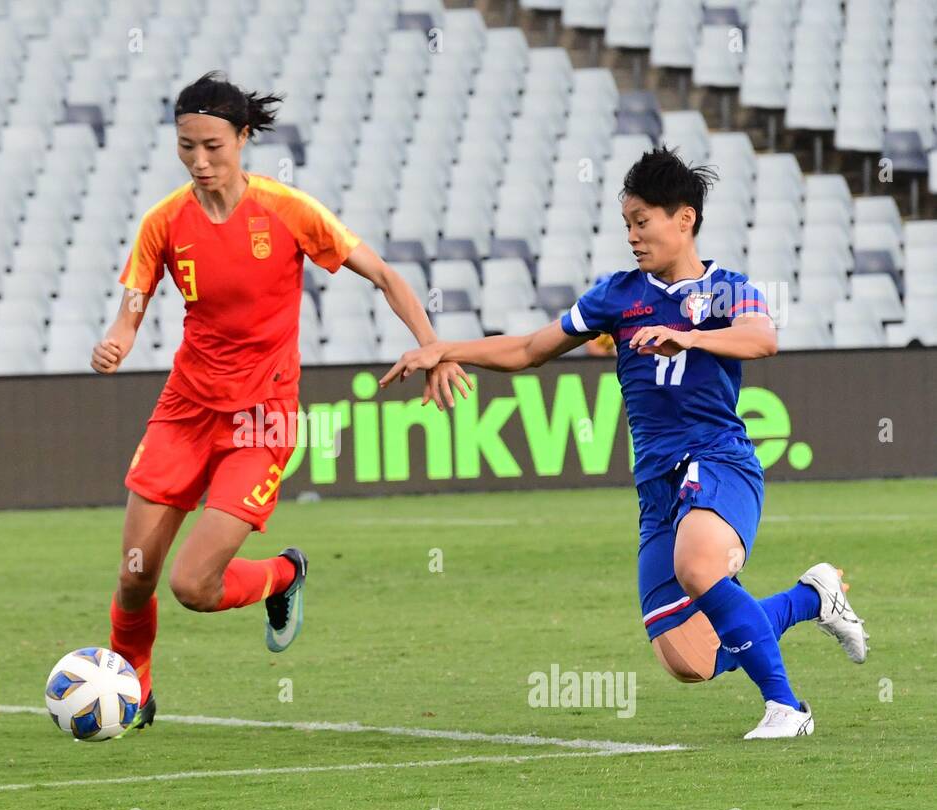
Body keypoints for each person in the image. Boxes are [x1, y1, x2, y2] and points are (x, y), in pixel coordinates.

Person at [380, 147, 868, 739]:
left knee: (697, 565)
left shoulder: (724, 290)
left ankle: (788, 709)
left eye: (643, 221)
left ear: (683, 219)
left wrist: (689, 338)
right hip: (655, 480)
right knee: (689, 659)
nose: (633, 236)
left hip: (716, 457)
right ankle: (810, 599)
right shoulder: (618, 296)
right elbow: (531, 349)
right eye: (627, 225)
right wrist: (444, 349)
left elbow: (761, 338)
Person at [92, 72, 470, 734]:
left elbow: (382, 273)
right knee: (133, 578)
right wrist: (119, 336)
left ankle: (282, 575)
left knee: (193, 587)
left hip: (261, 422)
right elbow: (133, 302)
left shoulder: (286, 210)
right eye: (186, 147)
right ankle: (131, 692)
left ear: (243, 137)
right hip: (184, 413)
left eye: (213, 145)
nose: (200, 161)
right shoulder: (163, 222)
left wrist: (431, 345)